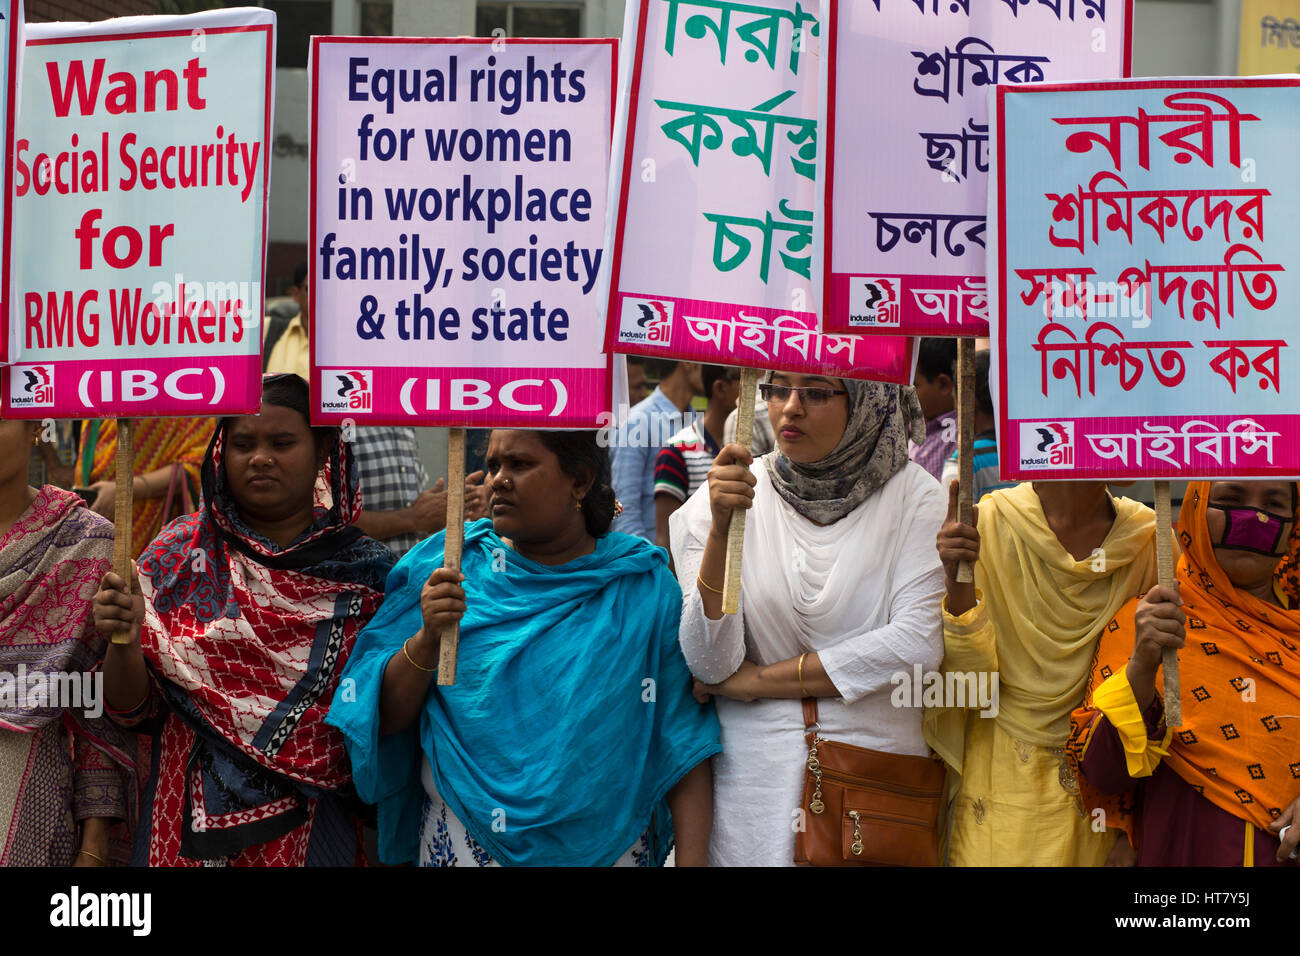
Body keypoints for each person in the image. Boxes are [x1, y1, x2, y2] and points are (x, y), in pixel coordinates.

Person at [328, 429, 720, 866]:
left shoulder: (641, 587)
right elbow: (381, 718)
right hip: (462, 842)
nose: (498, 479)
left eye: (519, 465)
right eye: (493, 465)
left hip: (609, 849)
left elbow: (683, 744)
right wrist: (426, 640)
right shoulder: (447, 565)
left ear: (580, 480)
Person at [94, 374, 395, 866]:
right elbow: (129, 709)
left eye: (282, 443)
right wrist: (123, 640)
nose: (260, 458)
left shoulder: (366, 577)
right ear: (221, 452)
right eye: (243, 444)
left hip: (313, 825)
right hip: (180, 814)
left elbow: (377, 724)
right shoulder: (176, 555)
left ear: (323, 451)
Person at [670, 371, 947, 866]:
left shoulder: (917, 499)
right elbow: (711, 665)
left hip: (871, 793)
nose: (789, 407)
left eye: (816, 392)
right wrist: (720, 532)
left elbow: (914, 647)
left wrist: (758, 680)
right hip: (752, 797)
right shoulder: (729, 496)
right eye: (777, 389)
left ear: (868, 402)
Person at [1068, 480, 1300, 866]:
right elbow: (1103, 773)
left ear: (1294, 526)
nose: (1255, 518)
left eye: (1274, 503)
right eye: (1231, 499)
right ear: (1193, 508)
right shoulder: (1144, 625)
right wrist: (1143, 666)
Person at [927, 479, 1158, 865]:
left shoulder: (1149, 539)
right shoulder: (990, 522)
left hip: (1101, 800)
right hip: (998, 791)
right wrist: (957, 580)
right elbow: (969, 688)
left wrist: (1132, 829)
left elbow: (1153, 712)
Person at [0, 420, 137, 866]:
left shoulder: (86, 544)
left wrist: (93, 844)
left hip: (36, 808)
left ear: (36, 426)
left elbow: (97, 712)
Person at [78, 417, 214, 559]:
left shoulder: (187, 399)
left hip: (152, 520)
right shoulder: (96, 397)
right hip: (97, 518)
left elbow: (198, 464)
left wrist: (125, 490)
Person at [349, 426, 487, 559]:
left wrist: (463, 508)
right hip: (363, 577)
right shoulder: (341, 420)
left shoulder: (404, 424)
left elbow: (421, 517)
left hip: (408, 575)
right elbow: (331, 524)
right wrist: (414, 518)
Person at [611, 360, 703, 541]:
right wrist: (650, 562)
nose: (714, 375)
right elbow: (623, 510)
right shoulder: (638, 422)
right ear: (688, 364)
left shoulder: (698, 424)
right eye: (710, 365)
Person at [654, 365, 741, 551]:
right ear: (721, 388)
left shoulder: (749, 451)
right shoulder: (676, 452)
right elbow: (666, 542)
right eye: (745, 380)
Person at [939, 349, 1014, 501]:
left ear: (968, 402)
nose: (954, 409)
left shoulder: (963, 463)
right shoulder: (1032, 457)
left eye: (955, 399)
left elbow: (952, 522)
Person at [910, 338, 958, 481]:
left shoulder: (958, 436)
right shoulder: (914, 426)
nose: (904, 393)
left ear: (943, 385)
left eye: (914, 386)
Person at [263, 261, 310, 379]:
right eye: (312, 288)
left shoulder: (348, 341)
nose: (321, 295)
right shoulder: (267, 329)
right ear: (295, 293)